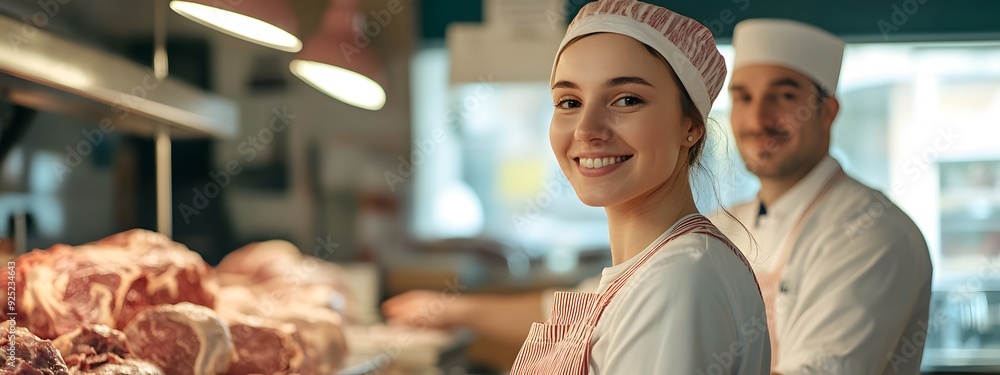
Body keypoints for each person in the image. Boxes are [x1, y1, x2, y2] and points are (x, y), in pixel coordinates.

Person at [389, 0, 771, 373]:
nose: (587, 130)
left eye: (626, 99)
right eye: (569, 102)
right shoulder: (654, 268)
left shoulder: (680, 279)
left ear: (690, 126)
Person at [709, 19, 934, 374]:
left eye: (783, 97)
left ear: (827, 112)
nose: (757, 119)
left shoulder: (873, 232)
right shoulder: (718, 228)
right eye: (743, 97)